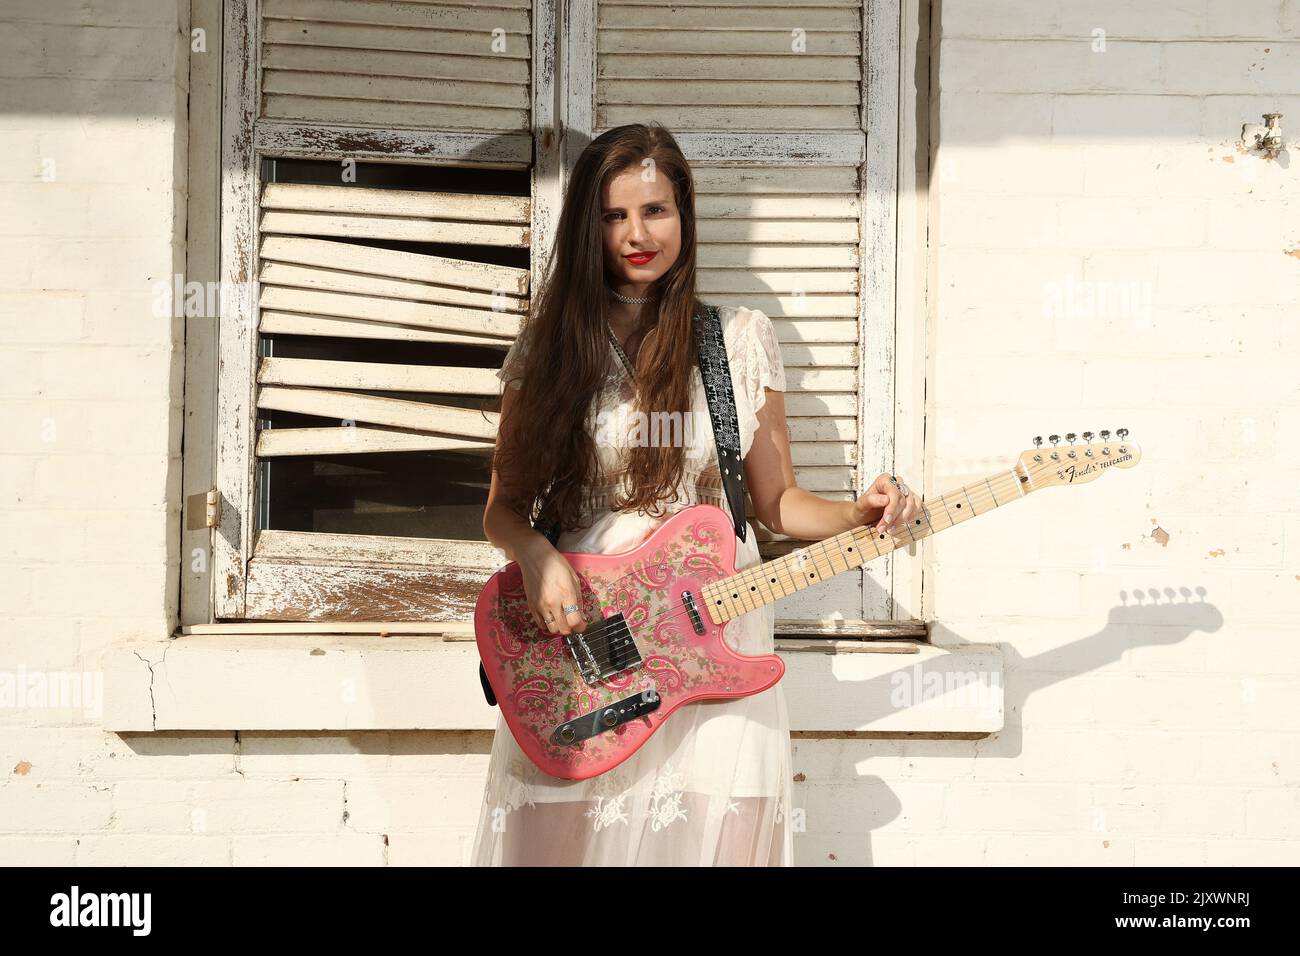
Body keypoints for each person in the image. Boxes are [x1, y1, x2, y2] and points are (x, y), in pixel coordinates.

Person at [471, 123, 921, 866]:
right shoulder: (546, 350)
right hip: (588, 652)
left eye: (656, 211)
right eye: (613, 216)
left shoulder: (736, 339)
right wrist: (535, 554)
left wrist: (857, 513)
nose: (636, 234)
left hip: (720, 647)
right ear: (588, 225)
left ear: (685, 215)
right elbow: (501, 507)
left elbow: (776, 504)